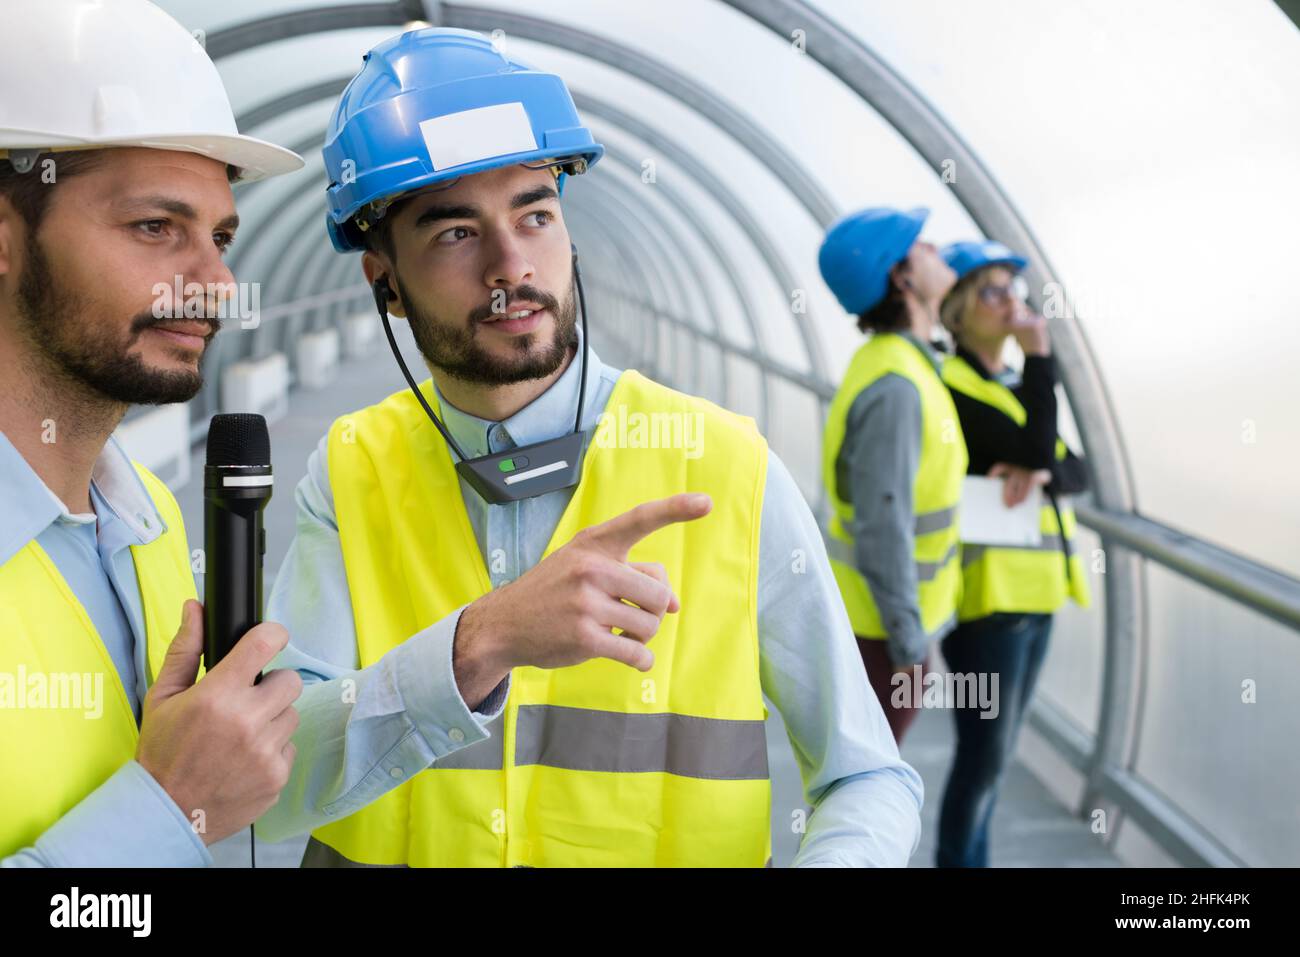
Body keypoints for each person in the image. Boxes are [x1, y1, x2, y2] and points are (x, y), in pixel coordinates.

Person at [262, 26, 923, 867]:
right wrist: (481, 642)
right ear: (383, 277)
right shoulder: (349, 468)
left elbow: (867, 777)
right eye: (455, 233)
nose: (512, 264)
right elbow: (276, 788)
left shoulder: (724, 465)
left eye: (535, 214)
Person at [0, 0, 307, 864]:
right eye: (154, 227)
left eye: (220, 236)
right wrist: (170, 810)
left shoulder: (150, 522)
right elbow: (181, 804)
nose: (215, 283)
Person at [933, 239, 1091, 867]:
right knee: (983, 759)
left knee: (996, 760)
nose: (1010, 303)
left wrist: (1046, 465)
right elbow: (1035, 451)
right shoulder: (952, 385)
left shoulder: (1008, 384)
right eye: (992, 292)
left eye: (1013, 290)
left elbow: (1073, 469)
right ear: (957, 310)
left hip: (1036, 596)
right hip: (988, 606)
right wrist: (1041, 358)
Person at [818, 207, 968, 744]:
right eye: (921, 245)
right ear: (901, 278)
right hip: (882, 636)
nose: (935, 250)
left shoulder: (895, 364)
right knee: (867, 799)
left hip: (879, 624)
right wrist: (909, 647)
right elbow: (883, 525)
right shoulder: (898, 387)